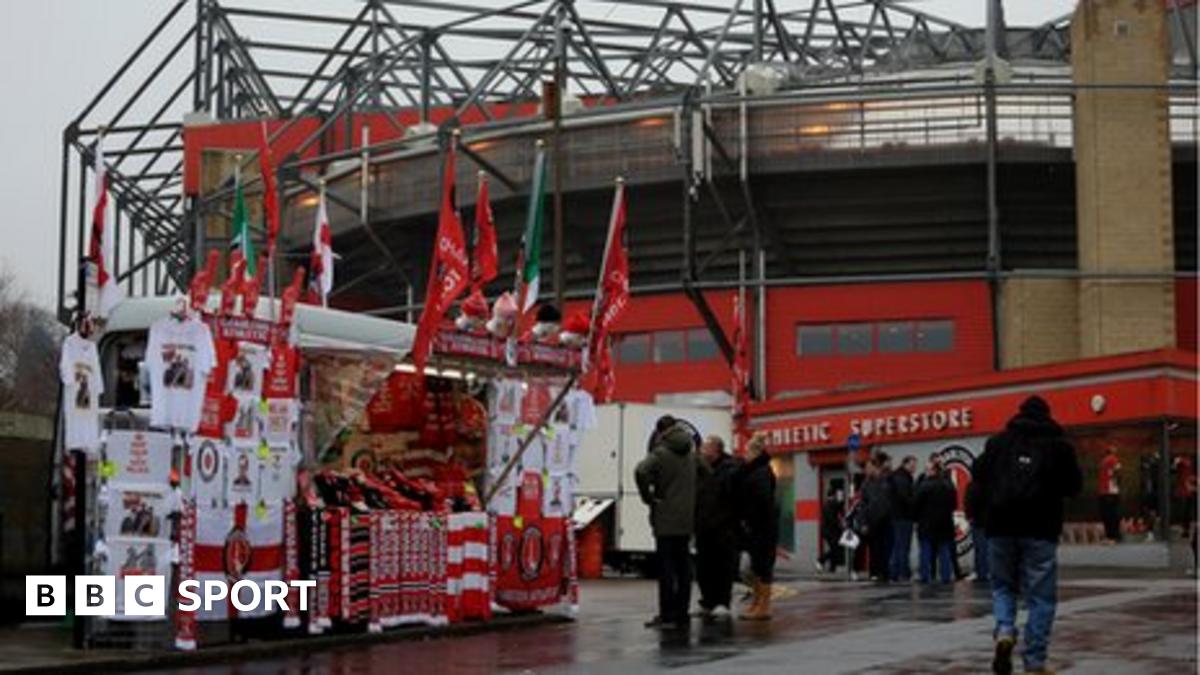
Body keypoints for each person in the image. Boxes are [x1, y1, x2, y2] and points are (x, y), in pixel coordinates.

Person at [973, 396, 1082, 675]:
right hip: (1040, 529)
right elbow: (1074, 486)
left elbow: (978, 474)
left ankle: (1006, 630)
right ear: (1048, 415)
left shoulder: (998, 442)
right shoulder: (1060, 447)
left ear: (1018, 414)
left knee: (1002, 587)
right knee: (1041, 597)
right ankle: (1034, 662)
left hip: (1000, 527)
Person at [635, 416, 700, 630]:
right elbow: (707, 472)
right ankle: (682, 613)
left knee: (666, 569)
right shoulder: (691, 453)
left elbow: (641, 471)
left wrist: (649, 497)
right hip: (686, 518)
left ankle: (667, 615)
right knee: (683, 569)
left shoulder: (661, 453)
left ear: (661, 432)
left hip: (665, 518)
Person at [694, 435, 741, 618]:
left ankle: (722, 602)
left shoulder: (729, 469)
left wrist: (728, 520)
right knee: (703, 567)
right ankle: (707, 601)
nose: (702, 451)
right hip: (703, 525)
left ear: (716, 450)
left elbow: (732, 498)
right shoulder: (701, 470)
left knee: (723, 566)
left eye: (705, 448)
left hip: (724, 527)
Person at [737, 432, 778, 620]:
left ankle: (763, 605)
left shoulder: (761, 473)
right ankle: (757, 602)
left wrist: (750, 517)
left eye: (747, 452)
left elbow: (762, 501)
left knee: (762, 566)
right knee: (754, 566)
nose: (745, 455)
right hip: (758, 526)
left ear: (755, 452)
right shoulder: (756, 471)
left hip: (762, 527)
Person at [913, 457, 957, 584]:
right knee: (944, 551)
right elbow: (953, 505)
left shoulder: (924, 486)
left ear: (933, 471)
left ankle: (925, 576)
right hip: (944, 523)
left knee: (926, 551)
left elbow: (916, 504)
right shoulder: (949, 485)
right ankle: (946, 576)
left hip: (926, 523)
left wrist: (916, 518)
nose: (925, 472)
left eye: (927, 469)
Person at [861, 453, 894, 583]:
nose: (867, 470)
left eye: (869, 467)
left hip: (886, 519)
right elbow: (863, 505)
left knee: (885, 548)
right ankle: (874, 572)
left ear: (876, 467)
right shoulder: (866, 484)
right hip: (872, 520)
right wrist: (864, 522)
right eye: (866, 468)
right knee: (874, 548)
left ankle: (885, 573)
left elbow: (890, 499)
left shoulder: (886, 480)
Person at [889, 456, 917, 582]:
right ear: (905, 464)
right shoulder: (903, 478)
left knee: (897, 545)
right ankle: (903, 572)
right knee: (903, 546)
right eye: (912, 465)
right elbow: (905, 498)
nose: (914, 467)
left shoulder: (897, 476)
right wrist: (914, 505)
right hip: (903, 516)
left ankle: (895, 572)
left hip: (897, 516)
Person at [965, 477, 991, 584]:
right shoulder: (993, 481)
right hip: (990, 520)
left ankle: (981, 572)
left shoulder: (973, 485)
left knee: (980, 548)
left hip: (978, 521)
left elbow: (969, 501)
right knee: (987, 548)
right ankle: (987, 572)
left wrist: (969, 515)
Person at [816, 485, 845, 573]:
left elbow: (839, 507)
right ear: (833, 495)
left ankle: (832, 568)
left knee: (834, 548)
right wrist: (840, 524)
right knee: (835, 549)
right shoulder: (829, 505)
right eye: (835, 495)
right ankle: (821, 560)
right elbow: (832, 518)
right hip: (830, 532)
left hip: (829, 531)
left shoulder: (830, 504)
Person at [1097, 446, 1122, 544]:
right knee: (1111, 514)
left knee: (1107, 515)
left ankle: (1111, 536)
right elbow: (1118, 472)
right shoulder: (1113, 459)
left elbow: (1117, 473)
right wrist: (1117, 484)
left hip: (1105, 491)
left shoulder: (1104, 461)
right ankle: (1113, 536)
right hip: (1110, 491)